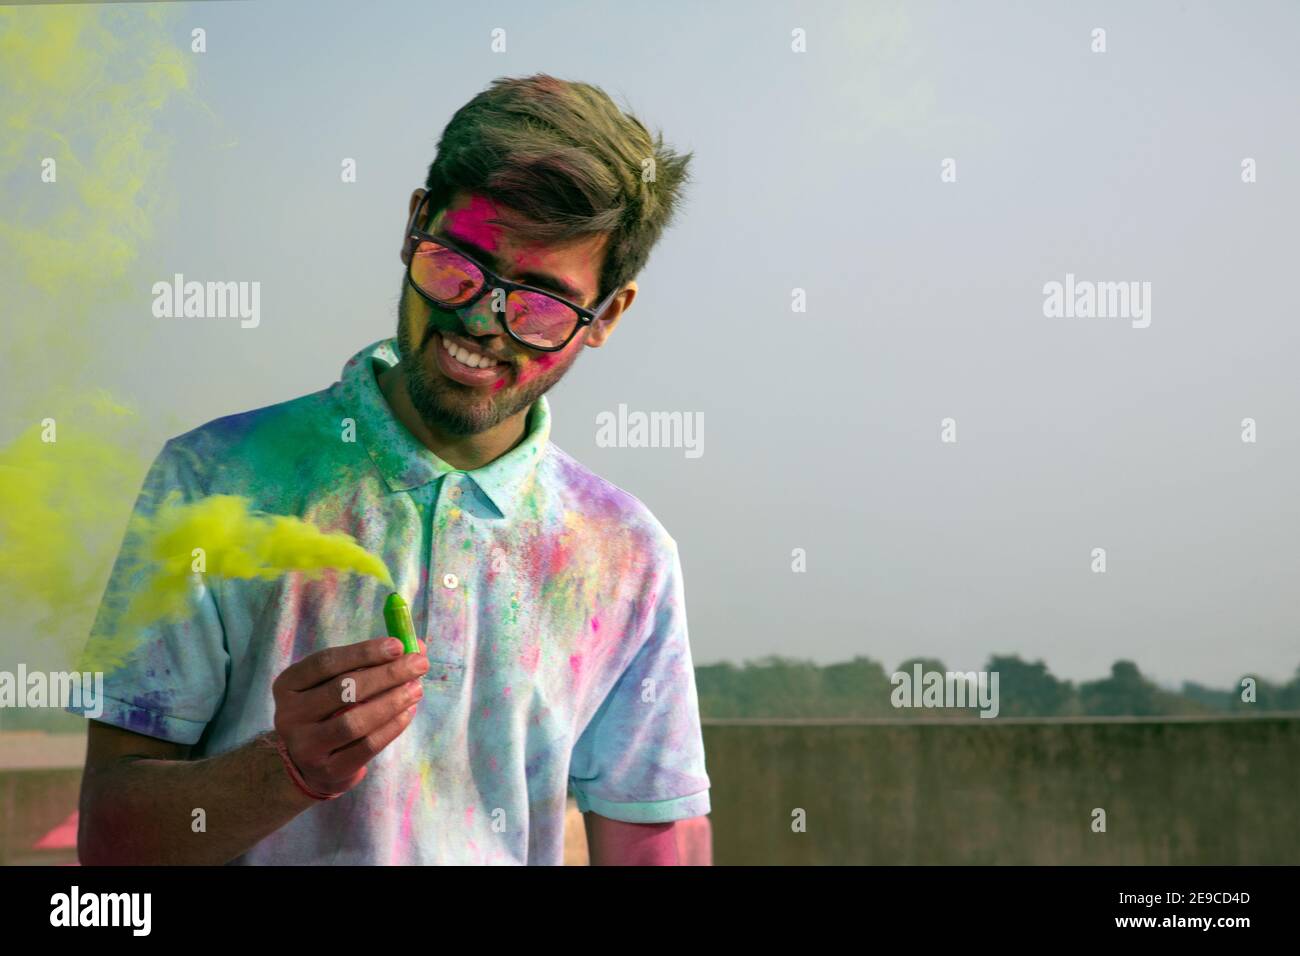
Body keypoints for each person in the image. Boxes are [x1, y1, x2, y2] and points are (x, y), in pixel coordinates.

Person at [69, 73, 711, 865]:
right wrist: (285, 771)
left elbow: (652, 840)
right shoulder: (212, 480)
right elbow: (111, 843)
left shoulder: (628, 554)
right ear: (414, 225)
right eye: (461, 262)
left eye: (542, 301)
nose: (480, 318)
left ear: (607, 315)